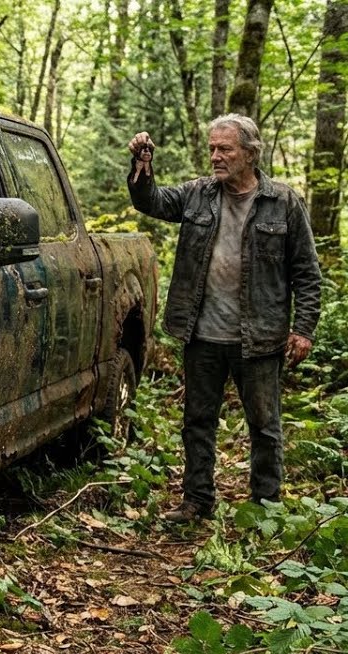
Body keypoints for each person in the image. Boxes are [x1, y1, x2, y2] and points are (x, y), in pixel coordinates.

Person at [127, 115, 322, 523]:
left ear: (250, 153)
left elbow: (306, 271)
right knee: (198, 421)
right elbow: (152, 202)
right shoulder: (198, 194)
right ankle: (197, 501)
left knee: (264, 426)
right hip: (202, 333)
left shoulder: (283, 202)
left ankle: (265, 506)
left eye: (225, 149)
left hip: (260, 337)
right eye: (212, 148)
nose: (215, 156)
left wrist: (303, 329)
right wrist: (142, 168)